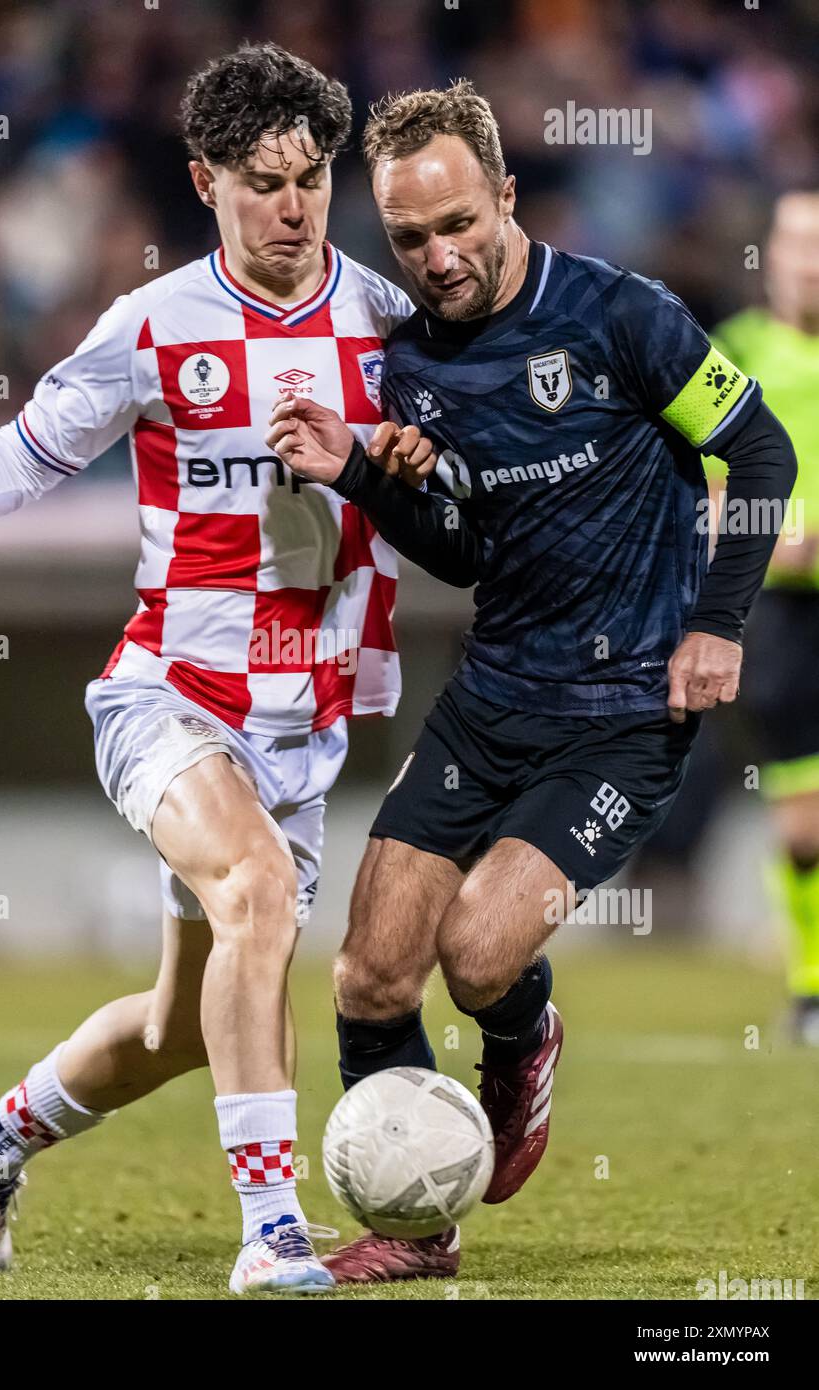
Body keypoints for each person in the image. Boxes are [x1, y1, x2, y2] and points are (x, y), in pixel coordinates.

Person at [0, 43, 417, 1296]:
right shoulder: (153, 327)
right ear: (205, 182)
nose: (295, 205)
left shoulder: (387, 315)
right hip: (168, 696)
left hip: (300, 726)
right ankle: (275, 1233)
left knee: (173, 1032)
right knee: (255, 895)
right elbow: (32, 453)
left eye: (311, 177)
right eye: (264, 180)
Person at [266, 79, 798, 1283]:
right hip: (493, 693)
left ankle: (521, 1037)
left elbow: (758, 447)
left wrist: (717, 622)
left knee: (478, 953)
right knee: (368, 970)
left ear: (504, 195)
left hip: (622, 715)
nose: (439, 256)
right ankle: (414, 1230)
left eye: (459, 223)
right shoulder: (407, 365)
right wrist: (362, 470)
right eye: (409, 239)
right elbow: (461, 547)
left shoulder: (621, 315)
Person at [706, 192, 819, 1043]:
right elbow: (697, 475)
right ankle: (809, 988)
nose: (808, 262)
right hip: (780, 614)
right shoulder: (735, 351)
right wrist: (764, 528)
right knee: (804, 818)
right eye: (795, 245)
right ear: (771, 255)